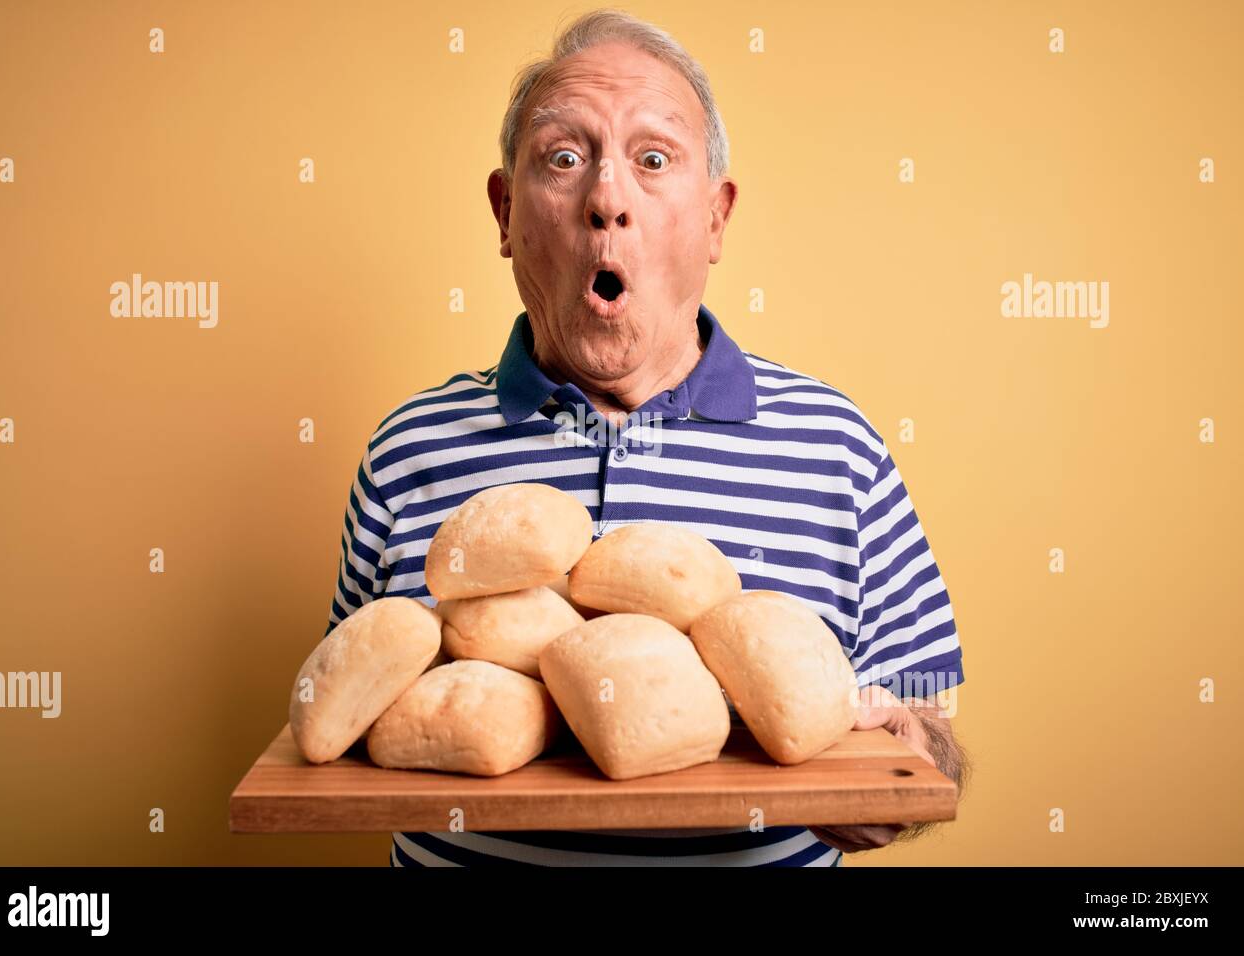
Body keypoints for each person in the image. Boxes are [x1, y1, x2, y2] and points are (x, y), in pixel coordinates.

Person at [326, 8, 969, 866]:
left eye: (654, 160)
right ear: (506, 212)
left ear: (714, 219)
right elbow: (345, 714)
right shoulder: (409, 450)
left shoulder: (837, 449)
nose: (606, 199)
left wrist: (907, 758)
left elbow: (930, 726)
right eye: (564, 158)